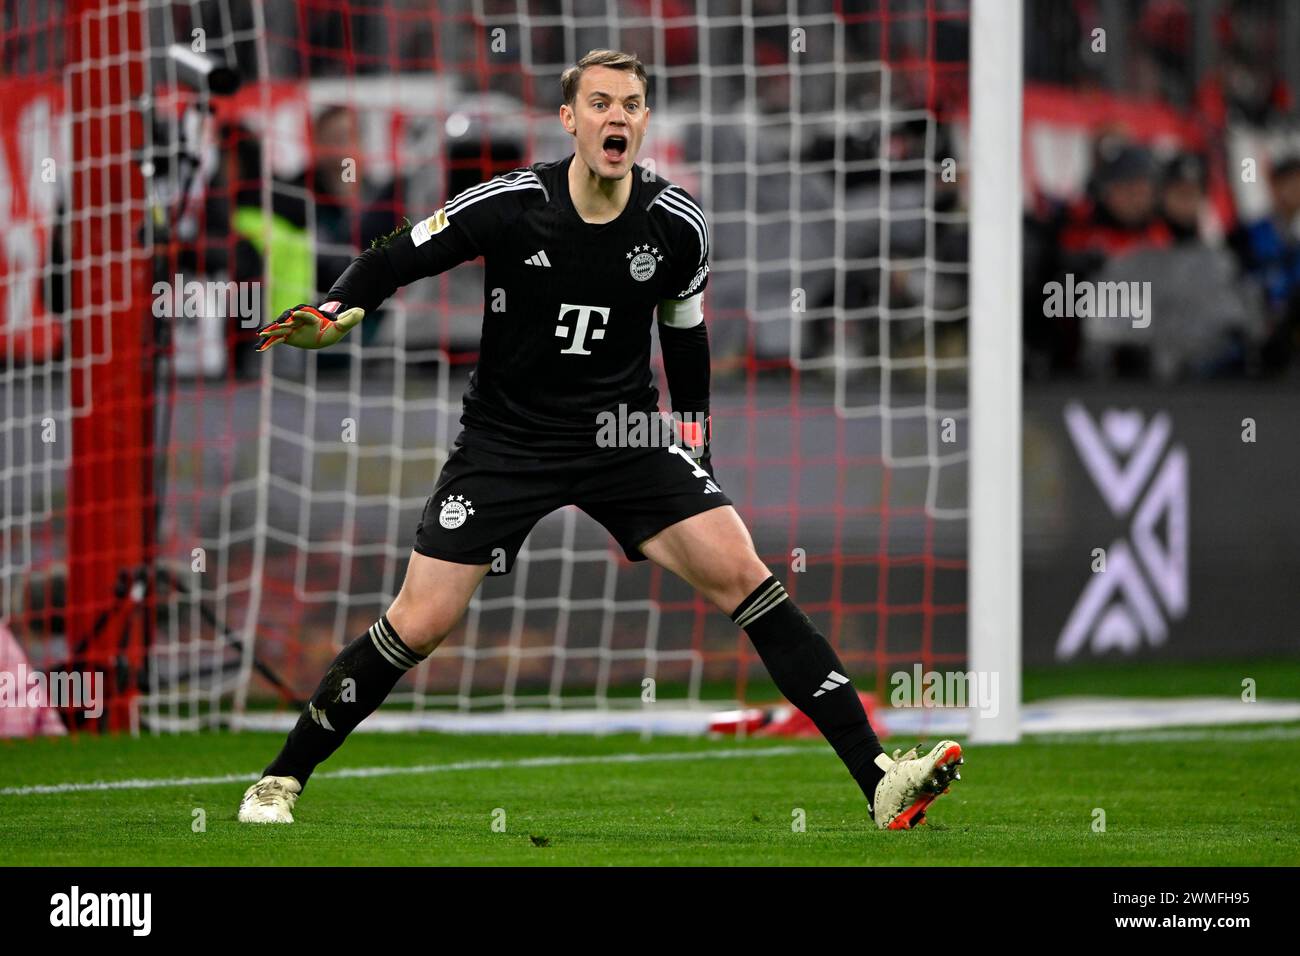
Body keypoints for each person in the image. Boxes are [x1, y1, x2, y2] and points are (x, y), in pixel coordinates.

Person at [239, 49, 961, 831]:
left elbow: (687, 341)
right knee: (419, 622)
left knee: (746, 574)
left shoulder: (677, 224)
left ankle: (880, 778)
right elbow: (399, 254)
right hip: (506, 443)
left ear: (645, 121)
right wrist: (337, 312)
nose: (616, 118)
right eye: (601, 104)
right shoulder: (514, 203)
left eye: (631, 105)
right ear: (569, 119)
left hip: (624, 438)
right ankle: (280, 780)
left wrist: (698, 455)